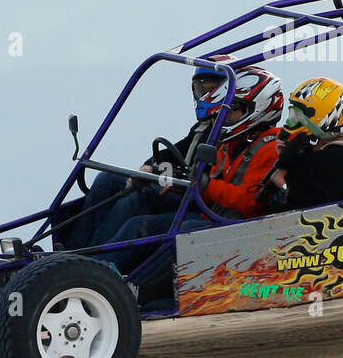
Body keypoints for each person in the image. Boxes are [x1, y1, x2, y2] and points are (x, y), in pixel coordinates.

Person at [105, 64, 287, 257]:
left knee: (159, 228)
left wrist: (202, 184)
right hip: (212, 215)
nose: (223, 115)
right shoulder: (229, 142)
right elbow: (209, 185)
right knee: (129, 203)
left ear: (258, 109)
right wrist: (182, 184)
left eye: (232, 108)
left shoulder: (270, 148)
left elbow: (249, 203)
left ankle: (104, 276)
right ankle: (88, 262)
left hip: (239, 230)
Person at [72, 55, 232, 248]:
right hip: (181, 190)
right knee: (107, 179)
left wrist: (176, 179)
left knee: (139, 196)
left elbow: (211, 174)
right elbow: (175, 153)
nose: (203, 94)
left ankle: (89, 257)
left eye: (209, 89)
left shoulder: (229, 130)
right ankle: (74, 246)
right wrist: (149, 167)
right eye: (200, 88)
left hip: (199, 203)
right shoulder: (204, 126)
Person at [267, 77, 343, 211]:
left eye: (297, 114)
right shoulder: (320, 151)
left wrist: (281, 180)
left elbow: (310, 209)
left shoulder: (335, 158)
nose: (291, 120)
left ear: (321, 116)